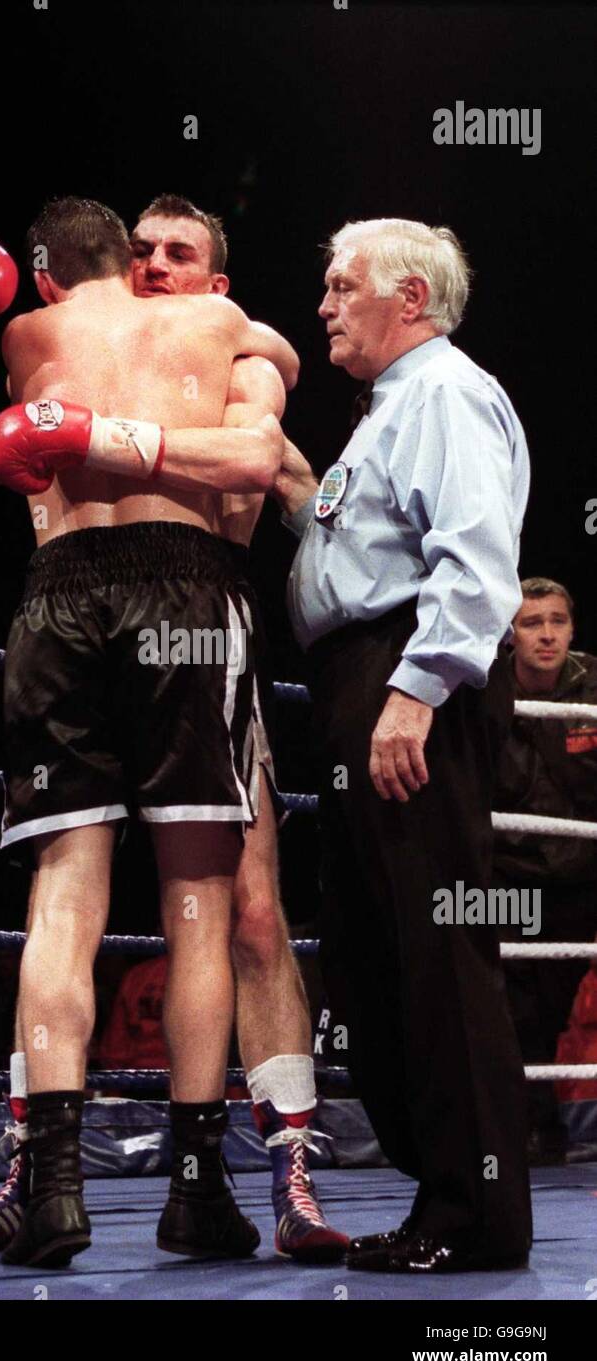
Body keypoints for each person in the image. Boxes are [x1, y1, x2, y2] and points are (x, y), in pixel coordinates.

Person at [0, 196, 341, 1268]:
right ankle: (61, 1177)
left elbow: (259, 465)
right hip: (127, 607)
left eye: (178, 253)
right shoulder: (72, 340)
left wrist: (88, 433)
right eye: (140, 250)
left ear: (216, 274)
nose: (153, 267)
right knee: (123, 898)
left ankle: (271, 1164)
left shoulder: (243, 343)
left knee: (241, 909)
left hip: (195, 602)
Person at [281, 217, 533, 1273]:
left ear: (409, 300)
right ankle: (441, 1194)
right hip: (361, 681)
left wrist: (413, 692)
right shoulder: (385, 412)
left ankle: (472, 1219)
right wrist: (294, 491)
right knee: (372, 958)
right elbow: (358, 548)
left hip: (405, 680)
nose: (326, 305)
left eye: (343, 287)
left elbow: (474, 558)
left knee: (435, 956)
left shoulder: (444, 391)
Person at [493, 577, 597, 1162]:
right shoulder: (481, 688)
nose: (548, 634)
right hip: (507, 872)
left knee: (556, 1006)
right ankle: (522, 1126)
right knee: (510, 1003)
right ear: (510, 633)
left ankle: (544, 1123)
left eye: (558, 620)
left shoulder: (595, 685)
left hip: (581, 872)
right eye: (533, 623)